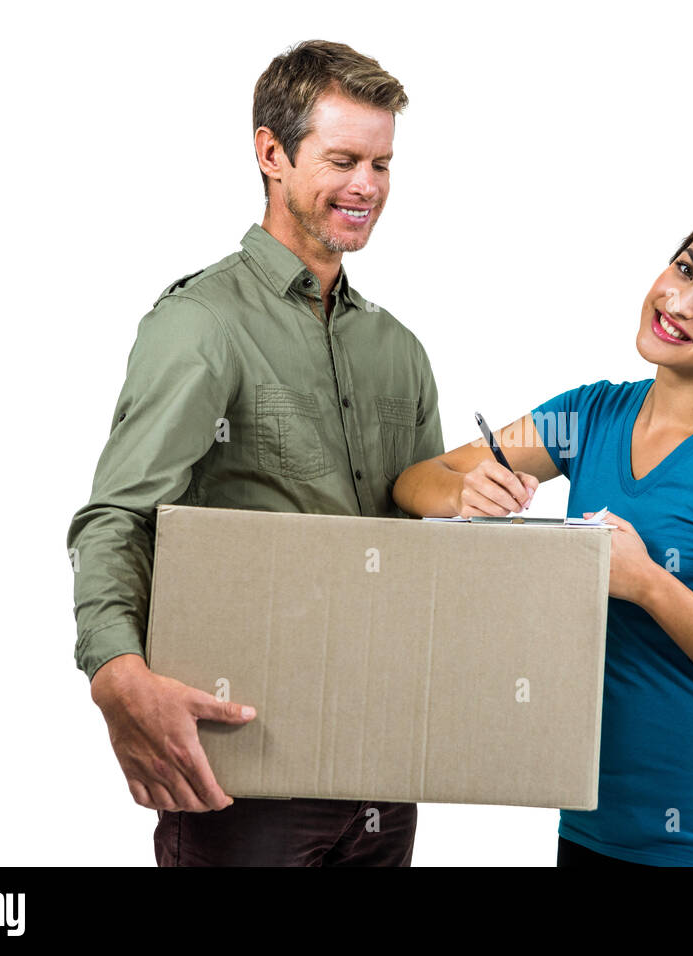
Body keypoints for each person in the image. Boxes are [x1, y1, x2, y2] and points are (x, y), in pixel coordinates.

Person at [66, 40, 443, 866]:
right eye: (344, 159)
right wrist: (116, 672)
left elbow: (421, 546)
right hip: (244, 768)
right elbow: (117, 518)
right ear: (271, 153)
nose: (368, 186)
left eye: (382, 163)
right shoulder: (200, 324)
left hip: (382, 761)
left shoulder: (400, 350)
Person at [393, 210, 693, 866]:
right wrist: (459, 495)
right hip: (592, 827)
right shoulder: (588, 419)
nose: (680, 301)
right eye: (685, 268)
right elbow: (418, 479)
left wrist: (649, 586)